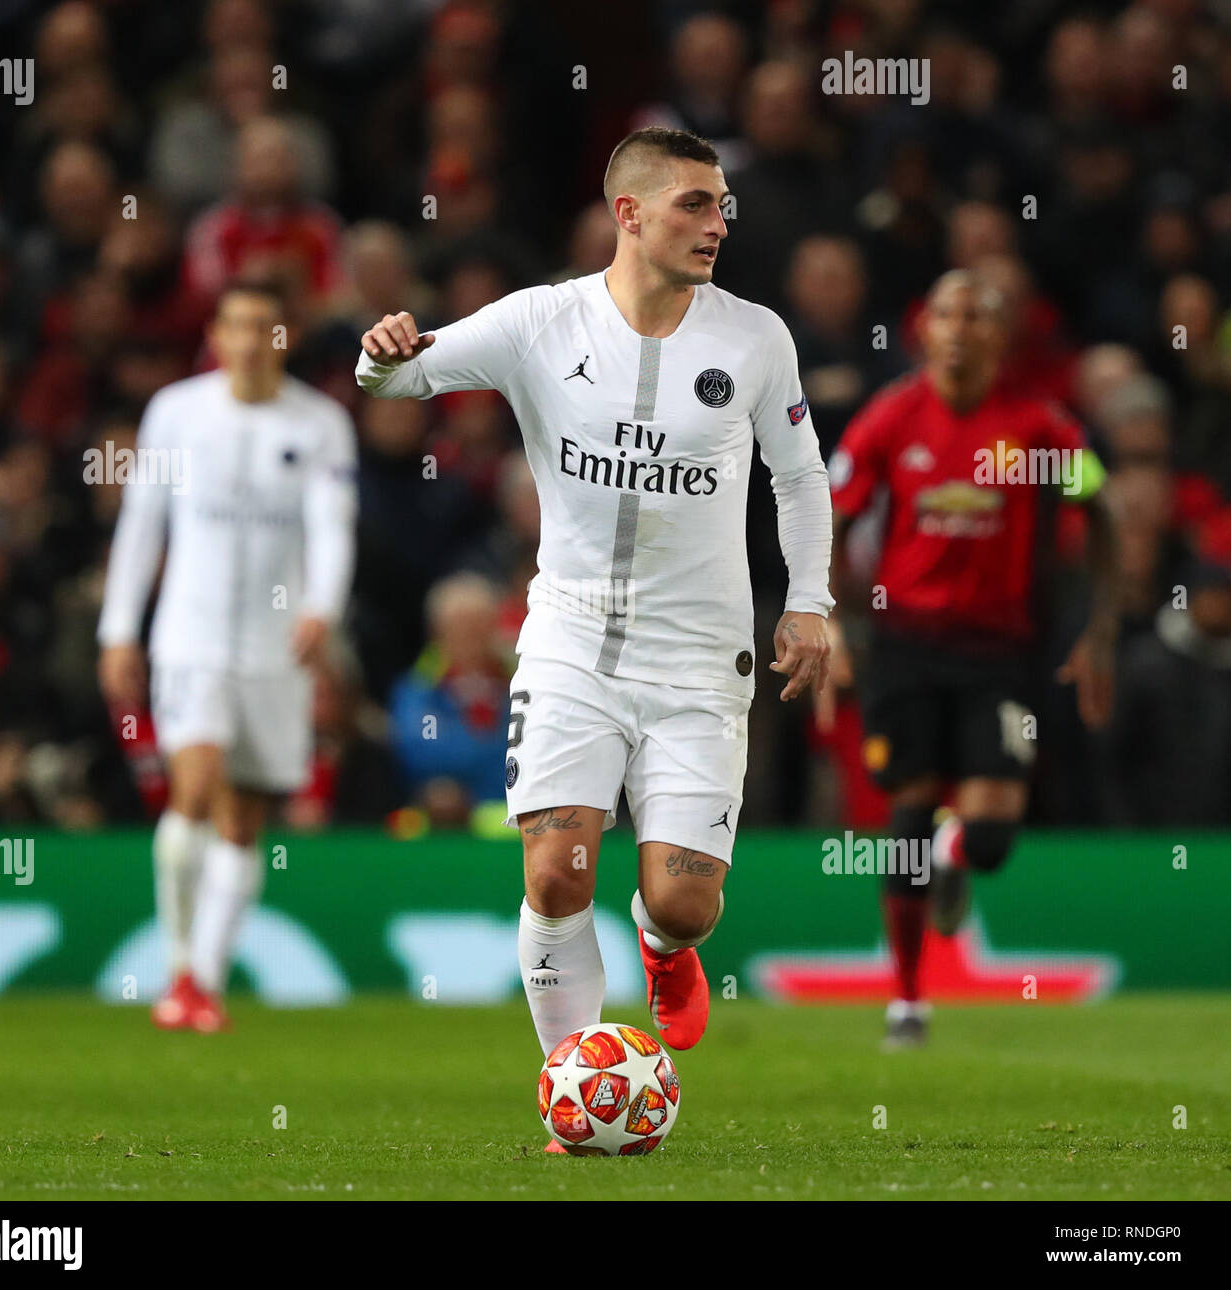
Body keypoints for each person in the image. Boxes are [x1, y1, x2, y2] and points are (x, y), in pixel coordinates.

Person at [356, 127, 833, 1136]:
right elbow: (402, 382)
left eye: (720, 207)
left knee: (685, 900)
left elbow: (797, 476)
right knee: (554, 871)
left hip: (701, 657)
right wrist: (379, 355)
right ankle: (573, 1090)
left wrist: (811, 601)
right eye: (694, 206)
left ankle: (663, 948)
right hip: (570, 641)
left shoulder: (754, 338)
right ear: (629, 214)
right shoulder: (541, 322)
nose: (717, 224)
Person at [819, 271, 1118, 1049]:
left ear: (1000, 335)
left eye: (976, 316)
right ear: (924, 330)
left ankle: (960, 852)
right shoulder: (891, 418)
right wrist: (823, 625)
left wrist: (1100, 632)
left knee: (987, 839)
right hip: (906, 648)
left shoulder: (1038, 431)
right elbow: (828, 518)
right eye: (946, 313)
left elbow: (1102, 509)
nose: (958, 328)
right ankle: (909, 1001)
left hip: (1002, 654)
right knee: (908, 818)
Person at [97, 280, 357, 1032]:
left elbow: (333, 525)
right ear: (214, 333)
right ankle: (179, 969)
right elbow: (143, 524)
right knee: (195, 782)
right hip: (191, 637)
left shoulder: (321, 423)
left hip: (276, 649)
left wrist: (322, 608)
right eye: (236, 326)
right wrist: (119, 628)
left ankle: (201, 982)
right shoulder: (176, 412)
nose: (248, 341)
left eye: (264, 328)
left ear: (287, 337)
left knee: (243, 818)